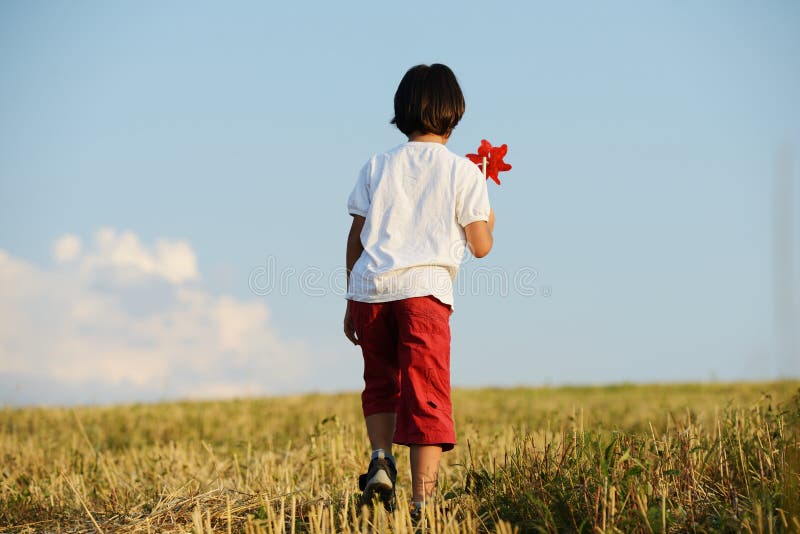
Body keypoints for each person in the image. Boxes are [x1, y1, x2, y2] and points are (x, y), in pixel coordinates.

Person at [343, 63, 495, 516]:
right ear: (454, 114)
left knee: (381, 382)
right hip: (424, 295)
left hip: (371, 290)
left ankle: (380, 459)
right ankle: (422, 502)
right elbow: (480, 245)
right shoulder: (464, 173)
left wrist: (352, 297)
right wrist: (488, 210)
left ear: (401, 110)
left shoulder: (377, 164)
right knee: (426, 392)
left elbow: (356, 236)